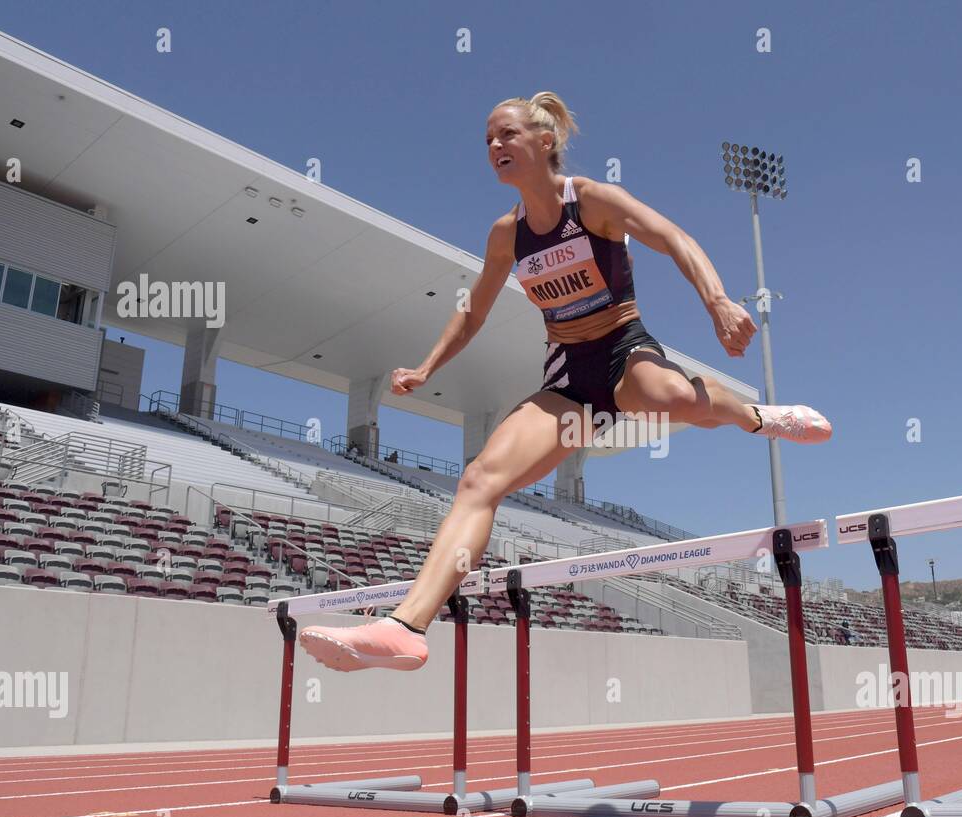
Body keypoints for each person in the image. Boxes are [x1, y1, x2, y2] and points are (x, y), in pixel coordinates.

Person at [298, 92, 832, 672]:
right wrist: (428, 367)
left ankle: (758, 417)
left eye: (505, 135)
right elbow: (473, 311)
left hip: (623, 349)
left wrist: (718, 301)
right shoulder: (507, 235)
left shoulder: (594, 201)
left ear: (544, 141)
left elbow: (674, 237)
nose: (494, 147)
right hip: (568, 379)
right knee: (479, 479)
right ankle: (405, 627)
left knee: (670, 396)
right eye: (487, 141)